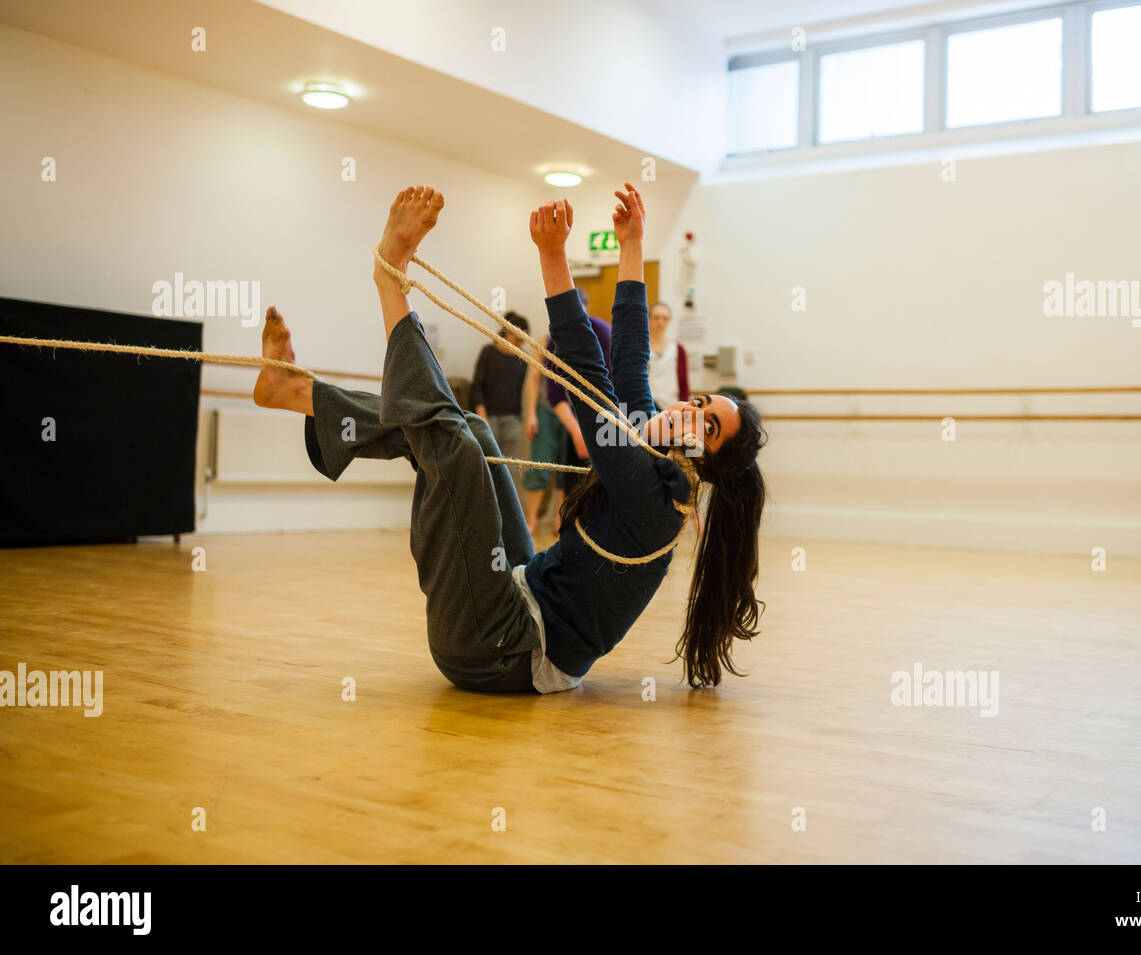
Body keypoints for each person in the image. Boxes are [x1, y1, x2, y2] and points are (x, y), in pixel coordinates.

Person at [252, 183, 767, 691]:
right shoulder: (655, 451)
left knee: (453, 442)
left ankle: (390, 279)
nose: (691, 414)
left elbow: (587, 378)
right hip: (518, 596)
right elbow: (629, 354)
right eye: (701, 404)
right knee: (472, 430)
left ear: (708, 460)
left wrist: (552, 256)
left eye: (709, 427)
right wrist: (632, 243)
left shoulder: (655, 500)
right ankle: (295, 392)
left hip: (502, 651)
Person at [543, 288, 609, 531]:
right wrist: (576, 430)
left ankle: (601, 524)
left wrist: (594, 427)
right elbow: (555, 392)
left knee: (605, 469)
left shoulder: (603, 332)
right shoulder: (555, 341)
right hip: (573, 413)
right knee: (572, 469)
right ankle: (571, 524)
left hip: (608, 411)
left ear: (587, 309)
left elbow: (612, 384)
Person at [470, 310, 529, 465]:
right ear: (507, 333)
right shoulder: (489, 352)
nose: (517, 343)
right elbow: (477, 386)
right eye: (516, 338)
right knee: (487, 462)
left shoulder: (523, 359)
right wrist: (483, 417)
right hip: (489, 417)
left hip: (513, 418)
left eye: (521, 340)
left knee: (509, 464)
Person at [520, 335, 566, 534]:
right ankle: (532, 520)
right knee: (539, 465)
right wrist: (531, 414)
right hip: (545, 410)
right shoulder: (544, 341)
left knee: (567, 468)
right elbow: (534, 378)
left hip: (573, 413)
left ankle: (561, 518)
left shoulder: (586, 338)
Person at [647, 300, 690, 412]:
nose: (660, 322)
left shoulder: (678, 349)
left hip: (672, 407)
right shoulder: (642, 348)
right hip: (648, 406)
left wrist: (684, 409)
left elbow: (684, 384)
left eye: (665, 318)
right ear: (649, 319)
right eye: (656, 317)